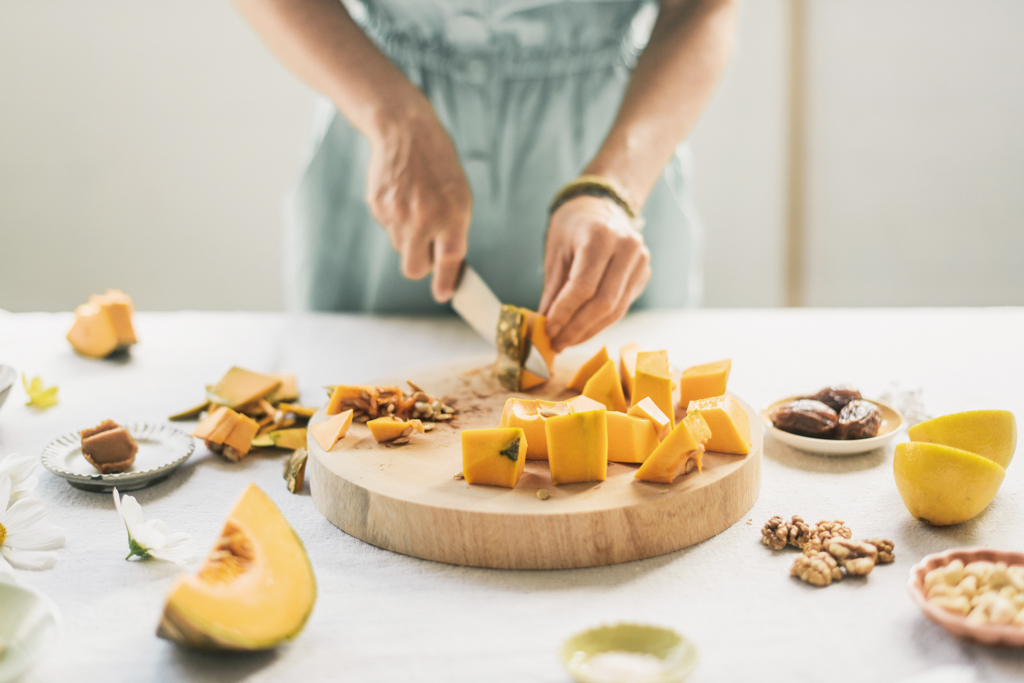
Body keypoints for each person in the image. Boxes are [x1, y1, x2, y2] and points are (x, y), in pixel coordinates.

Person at [234, 0, 736, 352]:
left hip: (614, 136)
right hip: (377, 118)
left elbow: (703, 5)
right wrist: (392, 116)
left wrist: (612, 187)